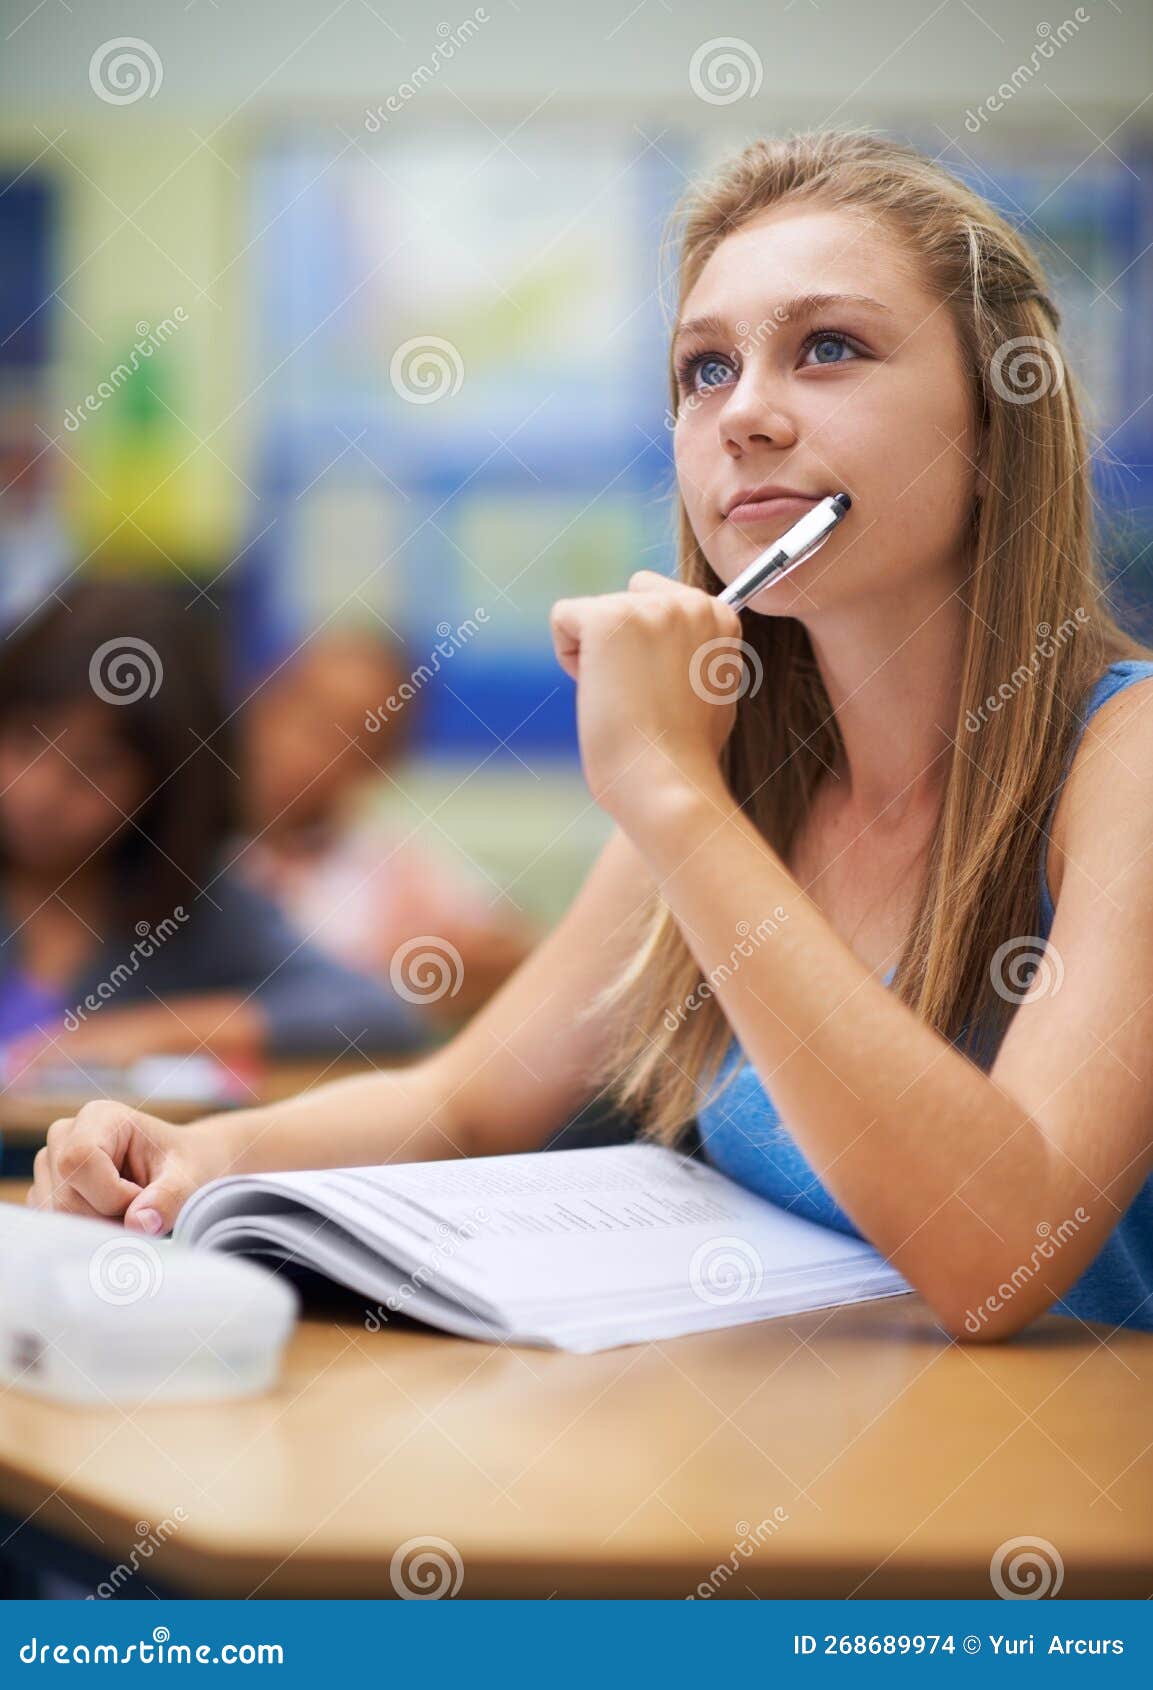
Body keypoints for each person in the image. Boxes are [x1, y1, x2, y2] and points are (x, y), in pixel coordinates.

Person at [31, 129, 1153, 1340]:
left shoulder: (1120, 760)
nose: (746, 416)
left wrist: (668, 796)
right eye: (704, 369)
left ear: (995, 428)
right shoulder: (740, 777)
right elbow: (465, 1102)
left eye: (829, 348)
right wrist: (197, 1156)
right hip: (785, 1468)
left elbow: (1002, 1253)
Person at [0, 583, 425, 1071]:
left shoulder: (194, 906)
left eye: (94, 767)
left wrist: (151, 1032)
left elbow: (376, 1014)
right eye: (24, 742)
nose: (38, 794)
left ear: (164, 785)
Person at [235, 628, 535, 1029]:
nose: (311, 753)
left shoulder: (389, 864)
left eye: (356, 736)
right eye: (308, 715)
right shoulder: (180, 838)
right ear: (261, 700)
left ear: (382, 763)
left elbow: (515, 949)